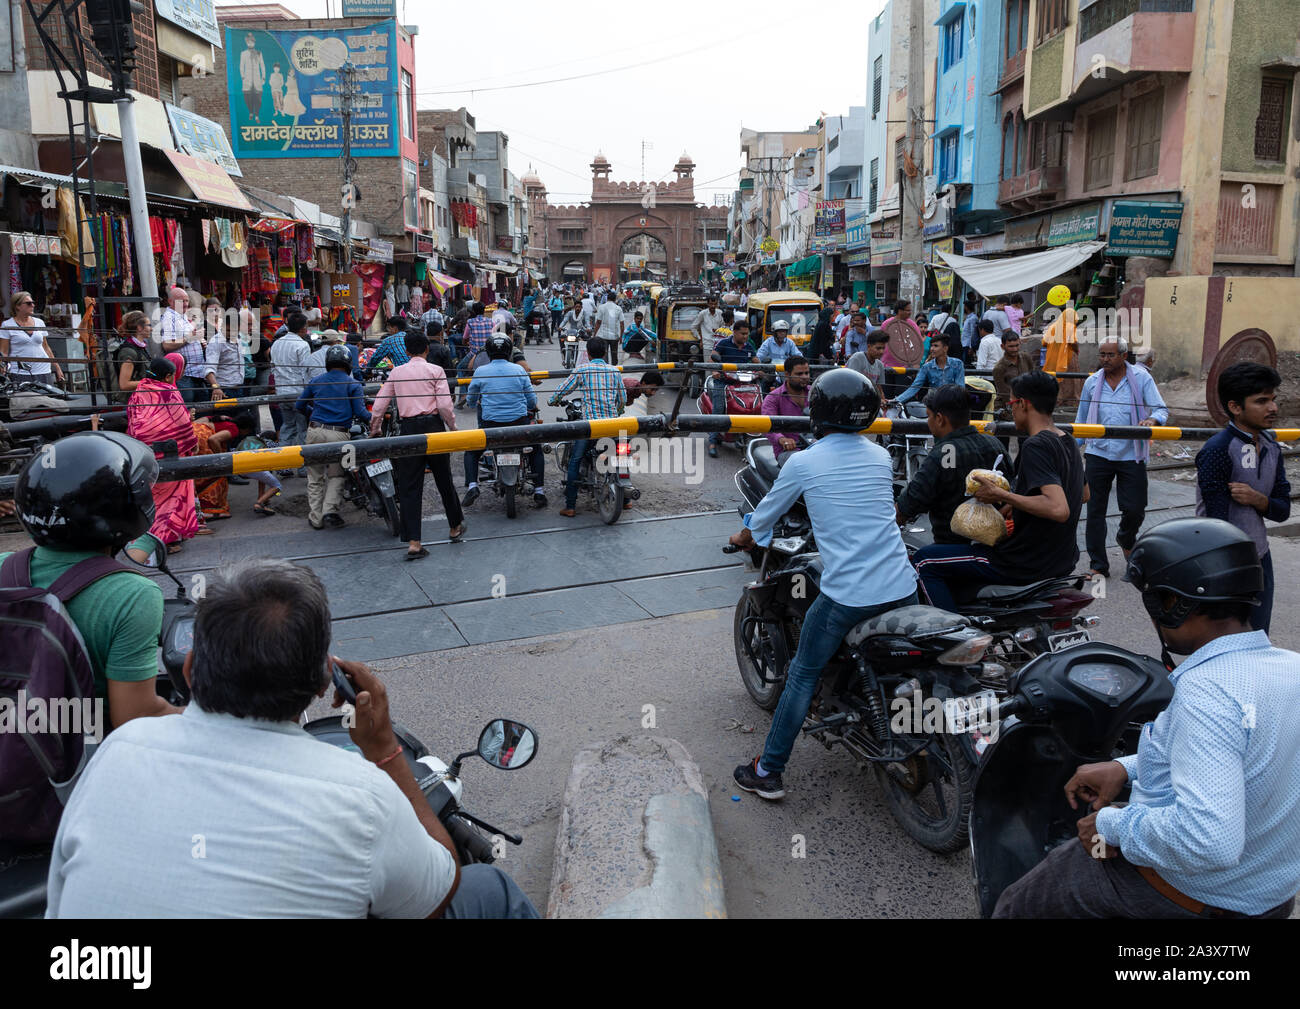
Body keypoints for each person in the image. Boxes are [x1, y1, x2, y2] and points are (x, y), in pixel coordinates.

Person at [45, 558, 539, 919]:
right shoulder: (362, 797)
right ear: (326, 684)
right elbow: (437, 894)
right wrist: (386, 750)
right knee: (488, 888)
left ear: (191, 670)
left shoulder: (116, 752)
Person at [993, 518, 1300, 920]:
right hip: (1268, 897)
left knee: (1016, 906)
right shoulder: (1290, 669)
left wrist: (1111, 823)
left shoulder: (1206, 692)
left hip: (1183, 894)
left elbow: (1209, 842)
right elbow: (1251, 759)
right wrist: (1128, 767)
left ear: (1170, 604)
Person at [731, 370, 919, 800]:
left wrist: (744, 535)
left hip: (848, 597)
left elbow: (763, 519)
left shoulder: (802, 462)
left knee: (801, 674)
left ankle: (769, 770)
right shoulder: (880, 456)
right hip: (902, 585)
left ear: (818, 411)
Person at [5, 432, 177, 729]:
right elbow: (135, 717)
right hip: (80, 759)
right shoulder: (133, 594)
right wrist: (203, 716)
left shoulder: (4, 565)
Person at [912, 371, 1087, 611]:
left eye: (1011, 403)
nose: (1009, 410)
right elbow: (1084, 494)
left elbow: (1058, 509)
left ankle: (954, 635)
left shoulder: (1035, 445)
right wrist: (1013, 505)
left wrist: (1001, 495)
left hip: (1021, 562)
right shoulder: (1066, 439)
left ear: (1023, 404)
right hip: (1061, 559)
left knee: (924, 561)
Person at [1195, 362, 1290, 633]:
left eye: (1273, 399)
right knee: (1225, 639)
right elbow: (1215, 522)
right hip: (1223, 561)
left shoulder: (1272, 447)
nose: (1273, 408)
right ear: (1236, 407)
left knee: (1258, 637)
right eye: (1262, 401)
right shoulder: (1218, 449)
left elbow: (1282, 510)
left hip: (1260, 556)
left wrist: (1258, 500)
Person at [1074, 337, 1169, 578]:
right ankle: (1098, 564)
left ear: (1123, 356)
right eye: (1102, 355)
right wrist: (1072, 447)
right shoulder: (1092, 382)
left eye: (1110, 355)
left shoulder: (1141, 378)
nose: (1105, 359)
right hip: (1098, 453)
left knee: (1135, 509)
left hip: (1131, 454)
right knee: (1095, 510)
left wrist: (1153, 420)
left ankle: (1125, 538)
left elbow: (1161, 409)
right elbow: (1082, 420)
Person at [370, 332, 466, 557]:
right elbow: (444, 405)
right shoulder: (436, 371)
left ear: (406, 351)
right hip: (433, 428)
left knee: (409, 486)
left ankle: (414, 542)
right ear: (426, 350)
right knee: (444, 480)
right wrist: (452, 427)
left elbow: (379, 405)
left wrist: (374, 429)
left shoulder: (396, 372)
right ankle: (454, 527)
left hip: (408, 430)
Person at [895, 383, 1004, 544]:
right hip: (998, 543)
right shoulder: (994, 444)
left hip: (952, 545)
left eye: (929, 416)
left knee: (920, 559)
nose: (928, 422)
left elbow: (910, 503)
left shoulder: (944, 453)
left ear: (939, 419)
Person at [460, 334, 546, 513]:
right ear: (509, 352)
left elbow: (470, 399)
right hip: (519, 425)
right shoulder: (519, 370)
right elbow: (531, 400)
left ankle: (472, 486)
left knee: (471, 451)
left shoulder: (481, 371)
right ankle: (539, 490)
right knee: (536, 449)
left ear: (489, 352)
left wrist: (474, 401)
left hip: (491, 427)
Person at [295, 345, 371, 531]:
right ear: (348, 363)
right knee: (339, 474)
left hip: (314, 432)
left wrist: (313, 412)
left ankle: (316, 518)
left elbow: (299, 405)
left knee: (315, 477)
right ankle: (330, 512)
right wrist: (376, 418)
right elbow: (360, 413)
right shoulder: (353, 384)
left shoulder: (316, 381)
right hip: (340, 435)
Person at [549, 337, 626, 517]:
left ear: (588, 354)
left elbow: (563, 389)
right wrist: (618, 410)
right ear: (605, 353)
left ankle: (570, 506)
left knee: (575, 460)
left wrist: (553, 400)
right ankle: (627, 500)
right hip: (613, 424)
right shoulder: (614, 371)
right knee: (621, 455)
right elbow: (621, 398)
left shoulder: (583, 369)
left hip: (590, 426)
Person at [706, 320, 759, 458]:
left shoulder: (749, 346)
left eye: (747, 334)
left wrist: (763, 370)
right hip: (723, 382)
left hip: (742, 382)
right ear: (734, 332)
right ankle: (712, 441)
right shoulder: (723, 343)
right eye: (742, 333)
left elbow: (756, 361)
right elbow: (712, 358)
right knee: (719, 408)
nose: (745, 336)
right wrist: (714, 372)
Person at [270, 311, 312, 464]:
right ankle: (302, 466)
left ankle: (283, 465)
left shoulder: (276, 343)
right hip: (298, 393)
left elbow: (273, 368)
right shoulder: (302, 345)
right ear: (302, 328)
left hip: (281, 392)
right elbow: (305, 371)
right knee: (302, 429)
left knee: (287, 426)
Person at [2, 290, 64, 384]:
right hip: (20, 372)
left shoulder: (39, 322)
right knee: (24, 398)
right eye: (28, 303)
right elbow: (3, 352)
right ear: (17, 306)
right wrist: (3, 368)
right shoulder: (7, 325)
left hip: (43, 370)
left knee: (47, 398)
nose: (33, 305)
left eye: (33, 303)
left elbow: (46, 347)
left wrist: (57, 367)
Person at [893, 332, 964, 405]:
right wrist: (896, 400)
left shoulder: (957, 364)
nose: (932, 349)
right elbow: (914, 387)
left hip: (952, 404)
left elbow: (960, 388)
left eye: (936, 346)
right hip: (934, 404)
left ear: (945, 348)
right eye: (931, 346)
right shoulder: (927, 367)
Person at [761, 355, 811, 459]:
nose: (805, 377)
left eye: (806, 373)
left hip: (814, 448)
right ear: (787, 374)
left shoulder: (815, 393)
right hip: (787, 452)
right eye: (799, 374)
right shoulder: (772, 398)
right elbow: (767, 426)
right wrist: (782, 439)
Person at [845, 328, 893, 401]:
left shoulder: (880, 365)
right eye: (878, 348)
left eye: (883, 348)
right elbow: (851, 384)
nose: (881, 352)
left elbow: (879, 388)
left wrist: (883, 400)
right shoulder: (857, 358)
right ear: (869, 346)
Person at [113, 310, 151, 401]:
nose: (151, 328)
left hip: (141, 399)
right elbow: (124, 384)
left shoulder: (139, 347)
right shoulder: (129, 352)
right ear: (139, 328)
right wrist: (151, 383)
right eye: (149, 325)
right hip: (134, 401)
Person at [593, 292, 623, 365]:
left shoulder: (601, 307)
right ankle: (614, 370)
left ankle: (605, 370)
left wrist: (594, 334)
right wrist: (621, 336)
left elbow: (598, 322)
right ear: (615, 299)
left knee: (604, 355)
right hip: (614, 336)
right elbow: (622, 324)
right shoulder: (618, 308)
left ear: (607, 298)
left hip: (603, 336)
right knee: (614, 355)